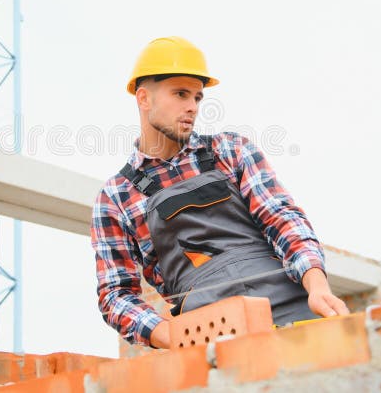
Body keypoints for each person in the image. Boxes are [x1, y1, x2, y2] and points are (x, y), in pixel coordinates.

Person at [91, 36, 348, 349]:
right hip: (211, 334)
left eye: (198, 98)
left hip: (288, 304)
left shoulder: (231, 150)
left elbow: (280, 217)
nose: (192, 107)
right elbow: (116, 295)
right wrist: (174, 336)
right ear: (144, 99)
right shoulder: (116, 197)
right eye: (180, 94)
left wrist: (317, 284)